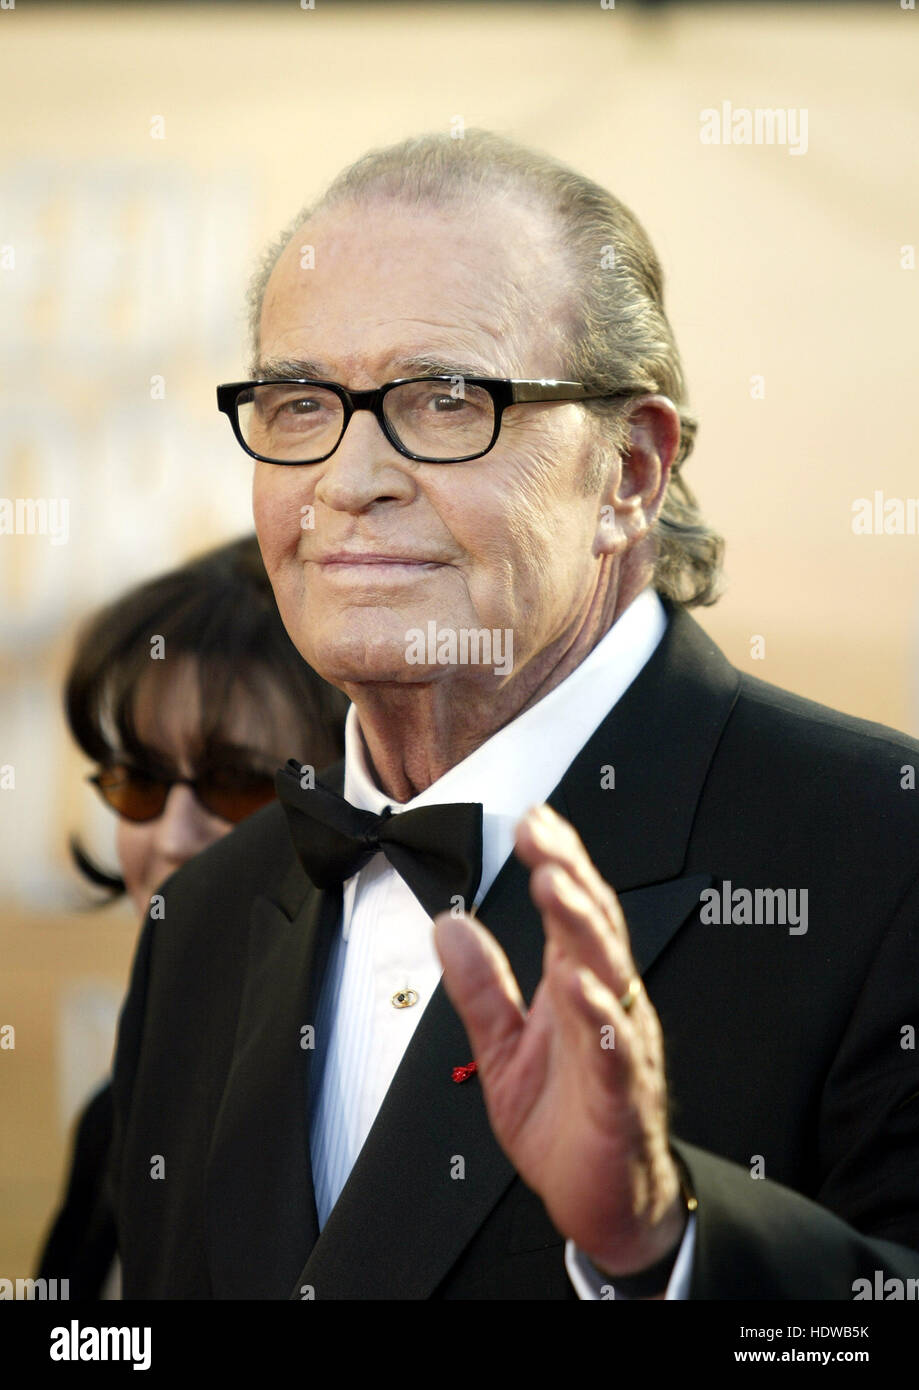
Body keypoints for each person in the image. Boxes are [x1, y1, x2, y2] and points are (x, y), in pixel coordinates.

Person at [109, 130, 919, 1300]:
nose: (349, 478)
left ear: (629, 473)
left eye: (444, 400)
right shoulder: (203, 915)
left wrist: (664, 1247)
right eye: (299, 404)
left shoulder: (879, 855)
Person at [36, 534, 348, 1298]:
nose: (171, 837)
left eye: (236, 785)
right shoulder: (120, 1113)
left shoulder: (366, 1110)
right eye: (139, 780)